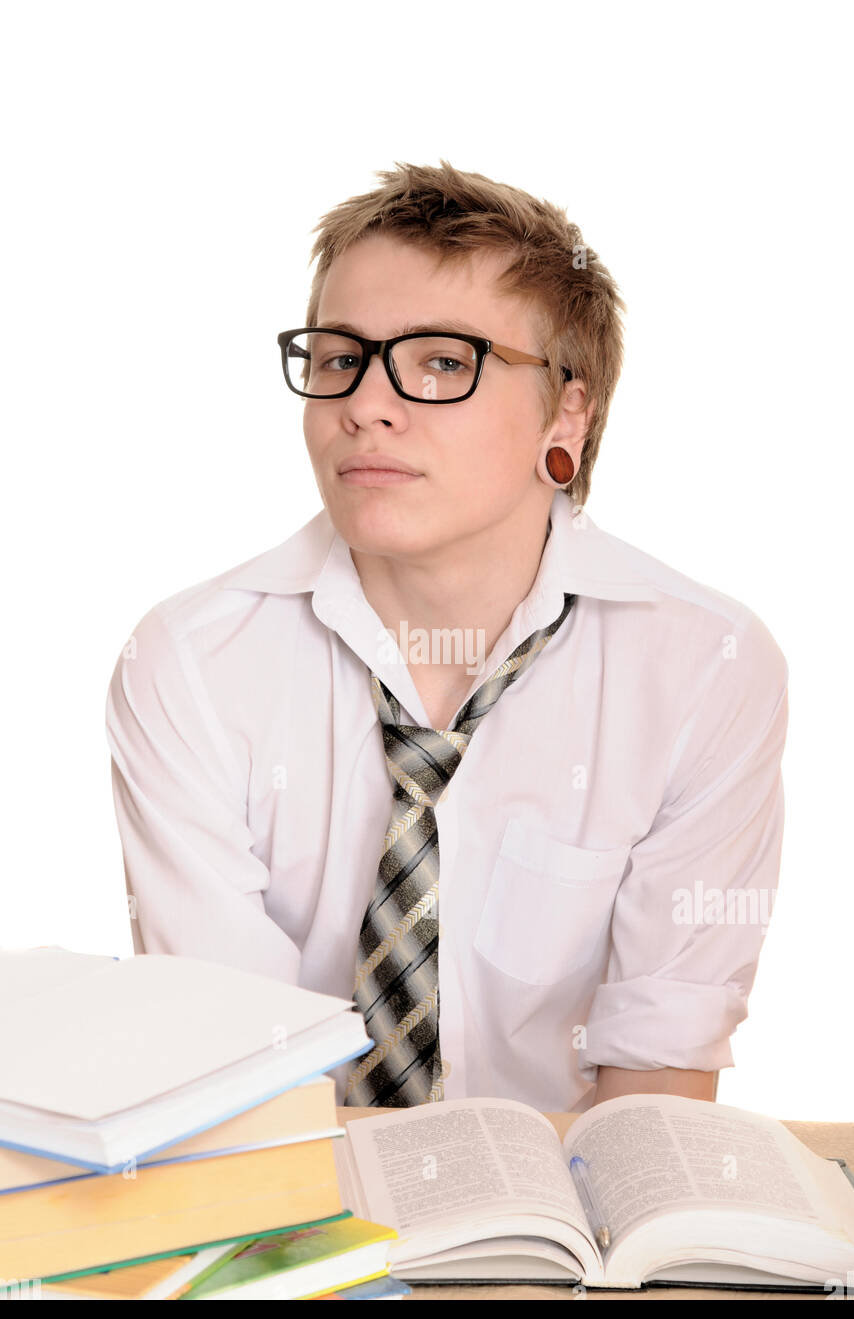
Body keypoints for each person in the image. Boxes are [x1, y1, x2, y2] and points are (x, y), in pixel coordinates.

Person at [105, 160, 788, 1114]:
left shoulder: (703, 667)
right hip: (296, 1218)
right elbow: (234, 1080)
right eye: (341, 356)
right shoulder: (190, 662)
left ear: (567, 412)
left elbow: (656, 1091)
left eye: (440, 362)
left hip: (563, 1229)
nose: (366, 406)